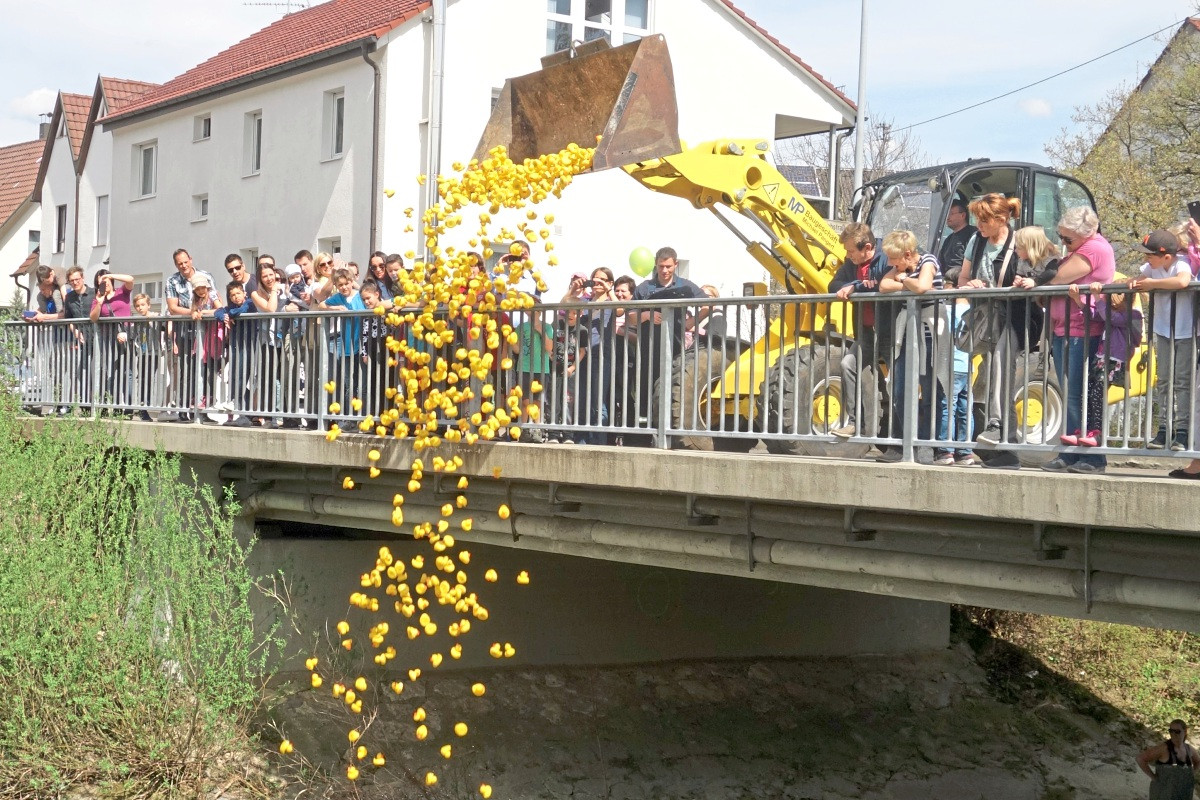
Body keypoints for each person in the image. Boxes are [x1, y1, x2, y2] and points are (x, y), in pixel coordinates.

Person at [1040, 207, 1116, 474]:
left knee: (1079, 395)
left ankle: (1093, 457)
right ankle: (1070, 453)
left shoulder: (1095, 248)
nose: (1063, 243)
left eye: (1068, 239)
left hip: (1083, 330)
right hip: (1065, 329)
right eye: (1061, 237)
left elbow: (1057, 278)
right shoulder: (1077, 250)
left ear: (1088, 232)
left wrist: (1041, 279)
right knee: (1070, 394)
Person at [957, 194, 1024, 453]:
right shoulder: (977, 240)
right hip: (985, 316)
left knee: (1000, 367)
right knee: (993, 373)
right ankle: (1006, 443)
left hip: (1013, 317)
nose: (978, 224)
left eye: (983, 219)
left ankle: (998, 426)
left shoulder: (1018, 241)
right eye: (977, 218)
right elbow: (963, 278)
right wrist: (970, 284)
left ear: (1001, 219)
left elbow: (1035, 271)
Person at [878, 230, 948, 464]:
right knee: (898, 389)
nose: (890, 264)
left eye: (893, 259)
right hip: (907, 331)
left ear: (908, 254)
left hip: (929, 330)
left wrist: (903, 280)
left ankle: (928, 445)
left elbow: (923, 286)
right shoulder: (901, 268)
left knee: (930, 390)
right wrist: (906, 282)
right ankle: (903, 442)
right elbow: (883, 285)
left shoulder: (928, 260)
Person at [1129, 229, 1194, 451]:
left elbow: (1183, 281)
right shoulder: (1151, 267)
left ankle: (1183, 431)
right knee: (1164, 379)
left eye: (1150, 255)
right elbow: (1139, 278)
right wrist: (1134, 283)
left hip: (1185, 331)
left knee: (1183, 381)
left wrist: (1153, 284)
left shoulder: (1181, 263)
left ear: (1166, 256)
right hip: (1163, 330)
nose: (1146, 259)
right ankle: (1164, 429)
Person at [1062, 280, 1142, 447]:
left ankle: (1097, 432)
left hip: (1114, 361)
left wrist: (1098, 297)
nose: (1109, 297)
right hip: (1101, 358)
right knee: (1088, 392)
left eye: (1115, 294)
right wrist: (1078, 299)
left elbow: (1109, 317)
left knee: (1097, 393)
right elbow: (1092, 316)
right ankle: (1084, 430)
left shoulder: (1132, 315)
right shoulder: (1108, 312)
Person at [830, 223, 892, 442]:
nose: (848, 255)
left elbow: (884, 284)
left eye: (850, 251)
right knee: (848, 364)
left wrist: (856, 286)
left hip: (891, 332)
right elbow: (833, 285)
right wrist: (853, 284)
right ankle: (855, 423)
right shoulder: (850, 263)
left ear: (867, 247)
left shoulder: (887, 257)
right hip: (866, 333)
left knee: (899, 381)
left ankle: (899, 431)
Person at [165, 248, 221, 420]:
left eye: (185, 261)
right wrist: (191, 313)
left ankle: (203, 410)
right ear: (176, 265)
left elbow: (216, 301)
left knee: (207, 370)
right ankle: (184, 408)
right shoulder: (172, 281)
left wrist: (202, 314)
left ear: (191, 259)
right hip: (185, 330)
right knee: (186, 370)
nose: (183, 266)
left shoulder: (207, 276)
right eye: (179, 263)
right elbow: (173, 308)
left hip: (207, 331)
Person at [250, 259, 299, 426]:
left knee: (286, 377)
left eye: (272, 275)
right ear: (260, 279)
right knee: (270, 378)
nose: (270, 279)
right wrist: (273, 292)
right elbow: (270, 309)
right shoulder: (256, 294)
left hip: (284, 338)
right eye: (266, 276)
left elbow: (296, 304)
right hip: (267, 340)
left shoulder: (282, 290)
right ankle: (273, 415)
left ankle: (288, 415)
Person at [89, 268, 134, 410]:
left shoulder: (122, 292)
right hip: (108, 340)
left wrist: (109, 275)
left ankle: (129, 407)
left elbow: (130, 279)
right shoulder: (97, 299)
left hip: (126, 336)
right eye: (100, 282)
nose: (104, 284)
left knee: (128, 373)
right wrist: (100, 302)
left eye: (106, 281)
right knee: (109, 372)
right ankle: (110, 405)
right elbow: (93, 318)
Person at [322, 266, 365, 415]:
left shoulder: (360, 296)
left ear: (352, 281)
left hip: (362, 345)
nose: (344, 287)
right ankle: (349, 416)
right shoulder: (339, 298)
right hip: (347, 347)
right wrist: (334, 309)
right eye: (340, 285)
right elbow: (322, 305)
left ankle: (362, 415)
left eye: (346, 283)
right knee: (349, 383)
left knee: (363, 383)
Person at [215, 281, 256, 427]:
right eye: (232, 295)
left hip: (249, 346)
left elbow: (242, 310)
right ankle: (238, 412)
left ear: (244, 293)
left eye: (238, 293)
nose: (236, 297)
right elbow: (218, 311)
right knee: (234, 378)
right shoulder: (230, 307)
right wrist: (223, 316)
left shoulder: (250, 302)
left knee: (243, 378)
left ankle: (245, 413)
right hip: (236, 347)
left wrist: (229, 314)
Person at [1136, 720, 1195, 799]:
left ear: (1185, 731)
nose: (1173, 734)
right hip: (1163, 794)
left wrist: (1191, 775)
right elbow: (1140, 759)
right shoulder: (1163, 748)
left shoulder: (1189, 749)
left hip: (1183, 793)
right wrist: (1154, 777)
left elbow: (1198, 761)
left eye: (1177, 731)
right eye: (1171, 731)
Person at [63, 266, 95, 411]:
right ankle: (85, 405)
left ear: (83, 278)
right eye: (72, 281)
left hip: (98, 337)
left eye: (77, 279)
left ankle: (100, 405)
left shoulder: (94, 293)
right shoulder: (69, 297)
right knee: (82, 371)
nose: (75, 282)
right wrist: (76, 333)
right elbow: (69, 319)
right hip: (82, 339)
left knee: (99, 371)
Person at [358, 278, 391, 417]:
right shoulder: (366, 313)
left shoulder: (385, 308)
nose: (366, 302)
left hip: (385, 344)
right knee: (373, 382)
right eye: (364, 299)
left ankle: (386, 414)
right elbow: (364, 334)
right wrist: (364, 352)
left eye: (368, 298)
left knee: (386, 381)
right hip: (371, 345)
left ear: (377, 294)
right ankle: (375, 415)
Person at [937, 198, 977, 276]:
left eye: (951, 213)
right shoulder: (948, 240)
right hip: (947, 280)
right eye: (947, 213)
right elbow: (940, 263)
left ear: (963, 215)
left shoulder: (974, 235)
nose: (947, 217)